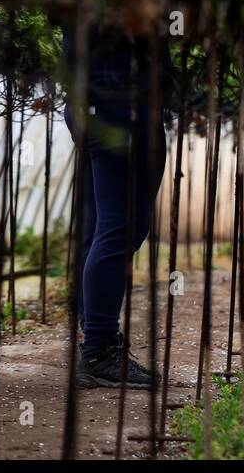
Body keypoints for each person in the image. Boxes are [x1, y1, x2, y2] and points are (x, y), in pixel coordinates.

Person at [62, 24, 169, 388]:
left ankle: (96, 340)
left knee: (100, 229)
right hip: (121, 107)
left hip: (94, 103)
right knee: (120, 227)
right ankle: (99, 350)